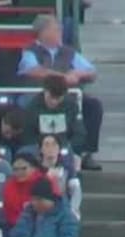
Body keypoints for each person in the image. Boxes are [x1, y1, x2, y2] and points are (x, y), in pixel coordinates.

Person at [18, 14, 105, 170]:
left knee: (93, 106)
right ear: (42, 32)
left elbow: (91, 72)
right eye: (55, 29)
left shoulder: (68, 52)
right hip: (40, 97)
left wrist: (78, 74)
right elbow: (32, 70)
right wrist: (64, 77)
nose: (60, 32)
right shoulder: (30, 51)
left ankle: (84, 153)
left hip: (68, 97)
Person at [7, 177, 79, 237]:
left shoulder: (66, 215)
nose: (34, 203)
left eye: (39, 199)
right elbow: (19, 230)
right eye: (33, 199)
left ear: (50, 199)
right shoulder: (28, 213)